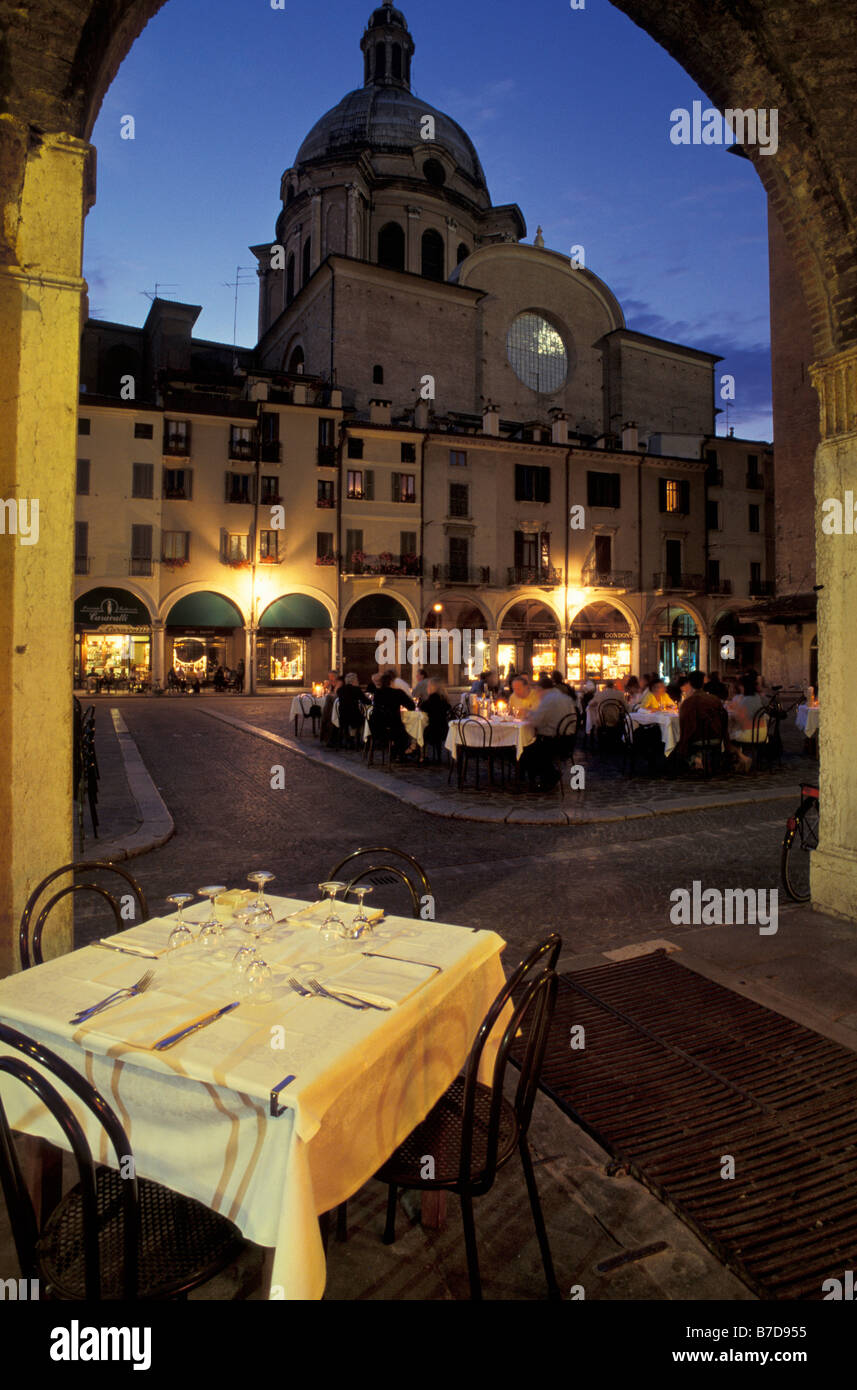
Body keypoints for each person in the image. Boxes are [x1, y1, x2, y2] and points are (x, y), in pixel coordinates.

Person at [520, 674, 578, 790]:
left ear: (540, 689)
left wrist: (526, 713)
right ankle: (546, 775)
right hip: (568, 739)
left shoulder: (548, 700)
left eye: (537, 691)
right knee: (532, 747)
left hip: (555, 742)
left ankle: (548, 776)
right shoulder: (564, 697)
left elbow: (536, 721)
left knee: (525, 750)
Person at [369, 672, 416, 759]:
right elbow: (411, 706)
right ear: (391, 682)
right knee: (404, 732)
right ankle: (400, 754)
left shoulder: (377, 693)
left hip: (377, 728)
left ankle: (394, 753)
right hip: (393, 728)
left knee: (396, 728)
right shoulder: (397, 693)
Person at [725, 673, 766, 743]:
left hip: (750, 735)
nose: (739, 688)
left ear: (745, 686)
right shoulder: (757, 697)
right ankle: (739, 753)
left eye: (741, 686)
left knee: (727, 735)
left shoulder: (746, 700)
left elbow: (739, 720)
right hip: (762, 733)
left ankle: (738, 753)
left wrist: (732, 711)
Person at [420, 677, 452, 758]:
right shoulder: (444, 699)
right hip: (444, 730)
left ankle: (422, 755)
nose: (427, 688)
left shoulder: (431, 700)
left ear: (432, 688)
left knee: (419, 731)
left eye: (428, 686)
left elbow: (422, 707)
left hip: (432, 731)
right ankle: (438, 756)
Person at [338, 672, 368, 748]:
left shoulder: (340, 690)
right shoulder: (356, 690)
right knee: (366, 719)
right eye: (357, 680)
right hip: (354, 716)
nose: (358, 681)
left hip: (342, 716)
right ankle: (361, 740)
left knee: (350, 721)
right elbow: (366, 701)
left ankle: (348, 740)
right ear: (353, 681)